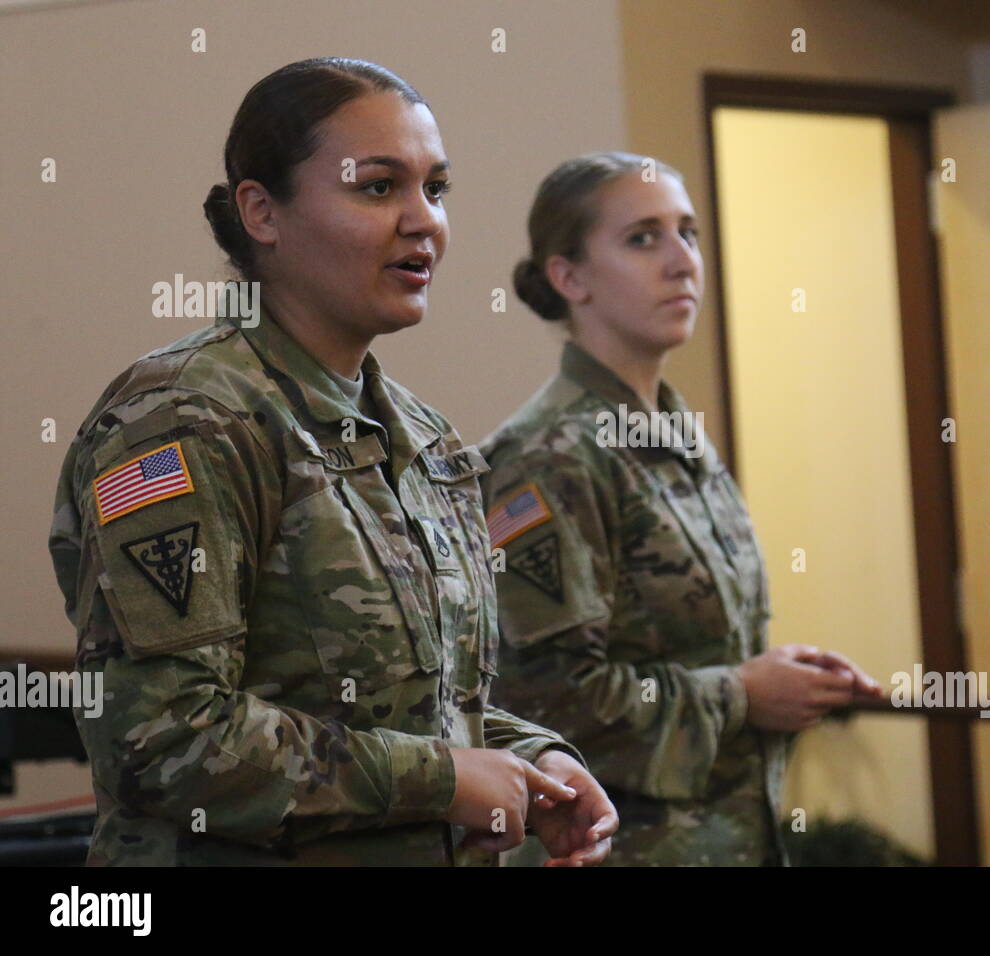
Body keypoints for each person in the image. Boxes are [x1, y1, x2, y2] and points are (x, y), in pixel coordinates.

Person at [47, 58, 616, 866]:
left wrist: (532, 758)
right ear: (262, 212)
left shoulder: (425, 437)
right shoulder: (185, 418)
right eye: (379, 187)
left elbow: (428, 709)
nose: (424, 221)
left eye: (437, 188)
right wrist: (441, 779)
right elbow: (163, 737)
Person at [481, 152, 882, 866]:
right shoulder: (547, 455)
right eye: (643, 238)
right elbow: (541, 704)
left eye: (688, 233)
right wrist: (741, 696)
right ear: (568, 277)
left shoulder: (672, 434)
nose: (682, 262)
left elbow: (698, 648)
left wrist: (789, 678)